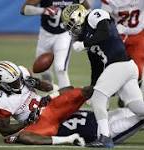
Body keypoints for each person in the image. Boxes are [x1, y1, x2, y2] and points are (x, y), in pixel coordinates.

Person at [61, 4, 144, 148]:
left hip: (119, 65)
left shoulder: (94, 15)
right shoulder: (87, 36)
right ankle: (104, 137)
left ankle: (105, 138)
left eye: (72, 23)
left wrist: (85, 43)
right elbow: (97, 66)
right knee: (138, 108)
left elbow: (104, 32)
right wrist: (93, 86)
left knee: (99, 99)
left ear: (80, 16)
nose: (72, 28)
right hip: (126, 68)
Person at [0, 60, 93, 146]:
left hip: (50, 105)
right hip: (38, 122)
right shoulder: (1, 100)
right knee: (25, 137)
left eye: (19, 78)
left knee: (75, 89)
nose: (19, 82)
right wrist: (26, 122)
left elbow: (48, 88)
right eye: (15, 82)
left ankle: (99, 105)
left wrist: (36, 82)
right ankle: (69, 139)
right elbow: (5, 130)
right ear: (4, 84)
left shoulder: (23, 73)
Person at [20, 0, 90, 88]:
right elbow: (24, 9)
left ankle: (66, 98)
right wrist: (44, 10)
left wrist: (79, 20)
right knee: (43, 70)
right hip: (45, 34)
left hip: (64, 34)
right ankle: (50, 90)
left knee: (61, 68)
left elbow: (87, 9)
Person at [5, 108, 144, 146]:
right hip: (103, 132)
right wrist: (67, 139)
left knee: (139, 109)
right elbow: (26, 137)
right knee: (141, 118)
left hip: (104, 116)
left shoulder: (53, 109)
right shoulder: (40, 130)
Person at [101, 0, 144, 107]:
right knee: (110, 69)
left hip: (137, 35)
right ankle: (104, 100)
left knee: (137, 71)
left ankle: (125, 95)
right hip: (117, 36)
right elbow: (103, 18)